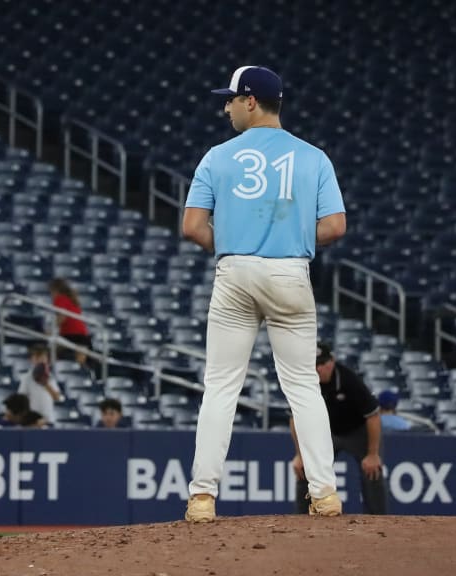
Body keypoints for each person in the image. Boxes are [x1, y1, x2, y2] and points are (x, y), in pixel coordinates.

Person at [182, 66, 347, 522]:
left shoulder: (217, 156)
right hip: (291, 271)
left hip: (235, 272)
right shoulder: (314, 157)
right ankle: (326, 493)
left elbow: (192, 226)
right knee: (303, 387)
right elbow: (335, 225)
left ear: (251, 101)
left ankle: (202, 498)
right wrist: (292, 239)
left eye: (231, 99)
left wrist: (234, 241)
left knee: (220, 386)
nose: (226, 107)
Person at [292, 344, 387, 515]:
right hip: (325, 433)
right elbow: (295, 418)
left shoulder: (349, 379)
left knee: (372, 470)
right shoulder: (306, 382)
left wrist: (373, 454)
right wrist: (300, 454)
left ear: (332, 362)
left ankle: (379, 519)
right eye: (314, 364)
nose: (318, 368)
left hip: (357, 432)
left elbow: (373, 415)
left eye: (322, 363)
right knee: (306, 468)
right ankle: (302, 518)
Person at [48, 278, 93, 367]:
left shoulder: (60, 299)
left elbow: (62, 317)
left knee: (52, 353)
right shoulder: (72, 299)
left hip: (70, 334)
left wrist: (51, 330)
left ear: (55, 290)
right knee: (81, 362)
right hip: (82, 335)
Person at [16, 343, 62, 426]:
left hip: (48, 421)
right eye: (37, 357)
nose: (41, 360)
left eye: (43, 357)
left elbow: (57, 397)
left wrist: (46, 384)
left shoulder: (50, 377)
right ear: (32, 359)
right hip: (33, 422)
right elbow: (21, 400)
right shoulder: (26, 378)